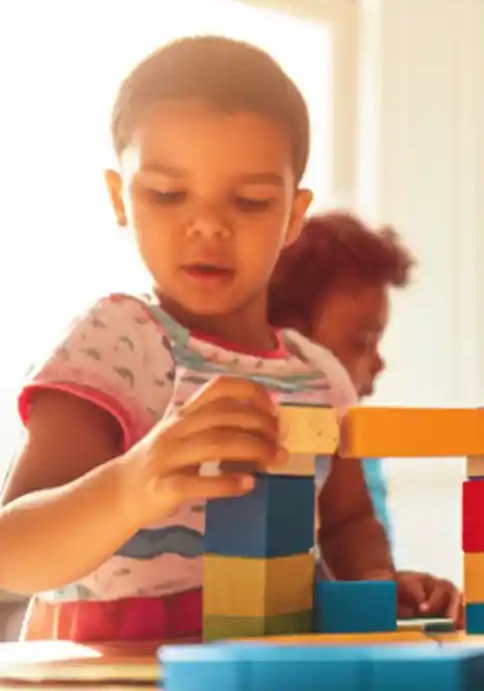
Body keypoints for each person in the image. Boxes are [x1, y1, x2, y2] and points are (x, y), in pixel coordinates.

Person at [0, 36, 459, 641]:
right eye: (167, 194)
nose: (210, 224)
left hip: (274, 660)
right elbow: (13, 554)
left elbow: (347, 522)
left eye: (249, 201)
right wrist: (132, 485)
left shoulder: (320, 376)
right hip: (112, 664)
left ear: (293, 215)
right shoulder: (115, 341)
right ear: (120, 199)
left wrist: (377, 584)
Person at [267, 210, 462, 620]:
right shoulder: (258, 436)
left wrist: (387, 586)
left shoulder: (355, 445)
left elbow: (357, 566)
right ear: (289, 339)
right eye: (362, 342)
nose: (379, 363)